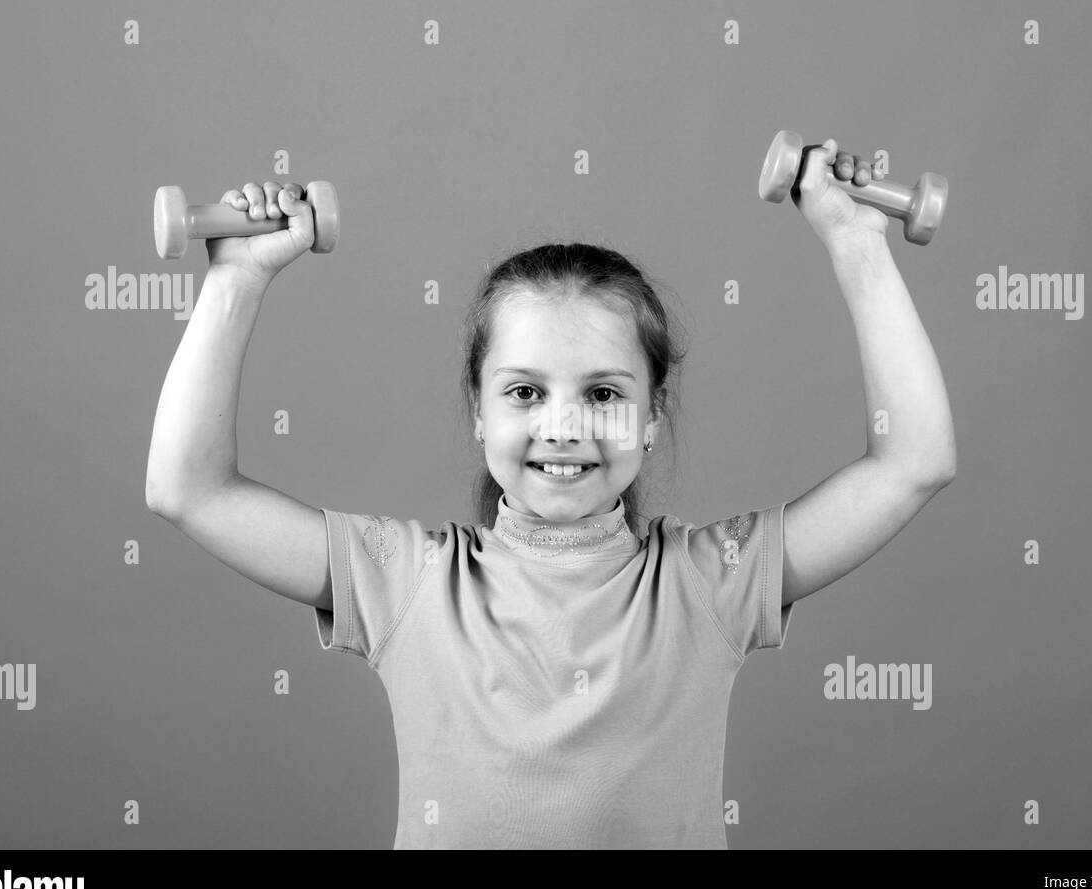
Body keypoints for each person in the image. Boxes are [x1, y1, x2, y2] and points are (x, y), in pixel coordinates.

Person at [145, 139, 956, 849]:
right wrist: (238, 281)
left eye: (603, 394)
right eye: (526, 393)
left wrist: (858, 246)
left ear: (650, 419)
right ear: (477, 410)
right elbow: (190, 489)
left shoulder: (710, 582)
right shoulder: (405, 580)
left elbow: (913, 462)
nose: (564, 427)